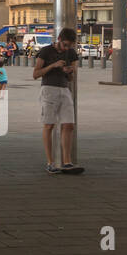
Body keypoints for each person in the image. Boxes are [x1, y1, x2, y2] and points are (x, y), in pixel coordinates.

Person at [35, 28, 83, 174]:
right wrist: (53, 66)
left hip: (64, 89)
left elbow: (72, 77)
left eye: (70, 46)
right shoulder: (46, 51)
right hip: (49, 89)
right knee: (49, 125)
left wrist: (69, 72)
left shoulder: (71, 53)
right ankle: (50, 162)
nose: (67, 48)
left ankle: (67, 161)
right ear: (59, 39)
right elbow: (36, 74)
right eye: (65, 45)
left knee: (69, 125)